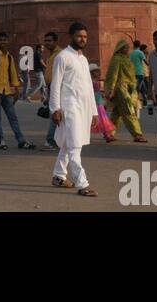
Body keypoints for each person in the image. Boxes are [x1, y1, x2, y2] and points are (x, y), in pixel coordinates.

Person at [50, 22, 99, 197]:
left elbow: (88, 87)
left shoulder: (83, 59)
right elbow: (55, 85)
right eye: (79, 36)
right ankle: (82, 184)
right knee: (74, 146)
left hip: (83, 108)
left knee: (67, 143)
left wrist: (94, 111)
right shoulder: (63, 57)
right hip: (69, 108)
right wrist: (55, 108)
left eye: (85, 37)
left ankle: (58, 176)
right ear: (71, 36)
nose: (82, 39)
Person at [0, 31, 35, 150]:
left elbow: (13, 73)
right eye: (0, 40)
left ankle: (21, 141)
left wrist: (16, 89)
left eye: (4, 40)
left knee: (13, 117)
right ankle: (1, 140)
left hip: (7, 92)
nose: (3, 42)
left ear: (7, 41)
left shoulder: (9, 57)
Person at [103, 39, 147, 142]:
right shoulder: (117, 59)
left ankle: (109, 133)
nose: (127, 49)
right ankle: (137, 134)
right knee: (129, 111)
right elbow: (113, 75)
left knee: (117, 113)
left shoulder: (127, 59)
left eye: (127, 47)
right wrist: (110, 89)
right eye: (125, 47)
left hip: (129, 88)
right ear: (120, 49)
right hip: (121, 89)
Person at [38, 31, 61, 150]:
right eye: (45, 41)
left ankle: (51, 141)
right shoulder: (52, 55)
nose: (47, 43)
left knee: (54, 114)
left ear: (56, 42)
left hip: (56, 87)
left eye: (49, 41)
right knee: (57, 114)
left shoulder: (59, 55)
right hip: (51, 87)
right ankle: (59, 141)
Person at [90, 63, 115, 143]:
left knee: (103, 119)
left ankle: (106, 135)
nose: (98, 73)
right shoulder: (89, 82)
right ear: (91, 73)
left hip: (99, 103)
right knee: (91, 120)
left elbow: (101, 92)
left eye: (98, 71)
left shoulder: (98, 81)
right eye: (96, 72)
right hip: (93, 103)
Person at [129, 40, 148, 107]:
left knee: (142, 88)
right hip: (140, 73)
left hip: (133, 73)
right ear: (139, 46)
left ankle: (145, 103)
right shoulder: (140, 53)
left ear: (133, 45)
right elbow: (146, 62)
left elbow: (129, 63)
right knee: (137, 89)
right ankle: (134, 103)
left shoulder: (131, 53)